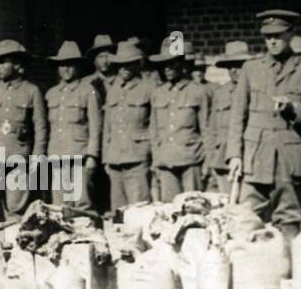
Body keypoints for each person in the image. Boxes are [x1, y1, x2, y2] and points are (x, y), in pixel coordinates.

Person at [225, 10, 301, 240]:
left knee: (290, 219)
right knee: (246, 219)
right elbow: (237, 116)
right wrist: (234, 154)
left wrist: (294, 109)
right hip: (255, 157)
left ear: (290, 34)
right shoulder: (251, 69)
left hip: (289, 159)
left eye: (278, 36)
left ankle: (288, 270)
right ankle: (255, 273)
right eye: (267, 37)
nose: (272, 41)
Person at [0, 40, 46, 221]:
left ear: (17, 64)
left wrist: (37, 156)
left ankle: (13, 243)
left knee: (17, 206)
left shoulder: (32, 91)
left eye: (3, 62)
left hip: (19, 156)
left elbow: (40, 127)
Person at [149, 35, 211, 201]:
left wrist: (208, 161)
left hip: (191, 160)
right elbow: (154, 131)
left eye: (171, 63)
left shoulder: (197, 91)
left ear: (181, 63)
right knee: (170, 213)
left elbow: (206, 129)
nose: (167, 68)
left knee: (194, 209)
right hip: (166, 161)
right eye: (164, 64)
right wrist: (156, 160)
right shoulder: (158, 93)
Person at [44, 41, 101, 209]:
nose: (66, 69)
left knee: (82, 203)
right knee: (59, 205)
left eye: (70, 65)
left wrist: (92, 156)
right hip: (57, 155)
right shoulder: (51, 94)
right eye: (62, 65)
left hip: (79, 155)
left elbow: (95, 126)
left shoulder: (88, 91)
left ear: (78, 67)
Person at [101, 39, 155, 214]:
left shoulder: (148, 88)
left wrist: (152, 153)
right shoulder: (113, 90)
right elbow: (107, 126)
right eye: (119, 65)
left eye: (128, 65)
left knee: (139, 210)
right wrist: (105, 158)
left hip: (137, 157)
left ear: (137, 65)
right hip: (115, 158)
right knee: (118, 212)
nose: (123, 69)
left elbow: (155, 123)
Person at [205, 41, 250, 193]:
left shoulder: (256, 91)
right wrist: (211, 156)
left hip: (249, 158)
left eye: (238, 65)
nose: (233, 70)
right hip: (223, 159)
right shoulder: (220, 93)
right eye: (229, 66)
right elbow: (212, 129)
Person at [84, 35, 117, 212]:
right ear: (94, 60)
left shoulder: (120, 82)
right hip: (94, 137)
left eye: (108, 55)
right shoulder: (87, 83)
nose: (105, 61)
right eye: (100, 56)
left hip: (115, 139)